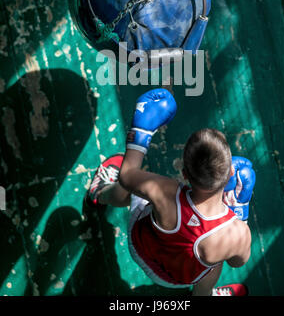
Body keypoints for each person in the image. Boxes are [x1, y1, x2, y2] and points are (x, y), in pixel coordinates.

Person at [86, 88, 256, 296]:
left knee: (135, 189)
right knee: (213, 266)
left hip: (141, 250)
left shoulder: (167, 191)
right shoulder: (236, 232)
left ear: (184, 174)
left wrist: (141, 133)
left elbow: (127, 175)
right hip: (180, 279)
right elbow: (239, 262)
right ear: (231, 173)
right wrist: (239, 212)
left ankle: (99, 194)